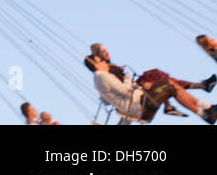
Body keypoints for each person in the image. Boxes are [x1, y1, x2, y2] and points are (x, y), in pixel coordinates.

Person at [85, 46, 217, 124]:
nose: (105, 63)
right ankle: (205, 111)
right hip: (141, 104)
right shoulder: (103, 76)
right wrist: (128, 79)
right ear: (97, 63)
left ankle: (206, 111)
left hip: (139, 103)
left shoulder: (98, 80)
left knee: (169, 84)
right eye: (102, 61)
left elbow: (107, 101)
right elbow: (125, 90)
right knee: (166, 83)